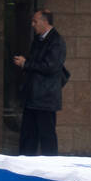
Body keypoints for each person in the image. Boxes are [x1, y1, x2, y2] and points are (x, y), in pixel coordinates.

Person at [13, 9, 68, 156]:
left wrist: (26, 64)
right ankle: (25, 167)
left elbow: (51, 67)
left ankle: (50, 169)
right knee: (28, 135)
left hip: (46, 97)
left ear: (45, 22)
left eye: (35, 21)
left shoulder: (56, 41)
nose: (33, 25)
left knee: (47, 136)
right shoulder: (38, 39)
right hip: (33, 95)